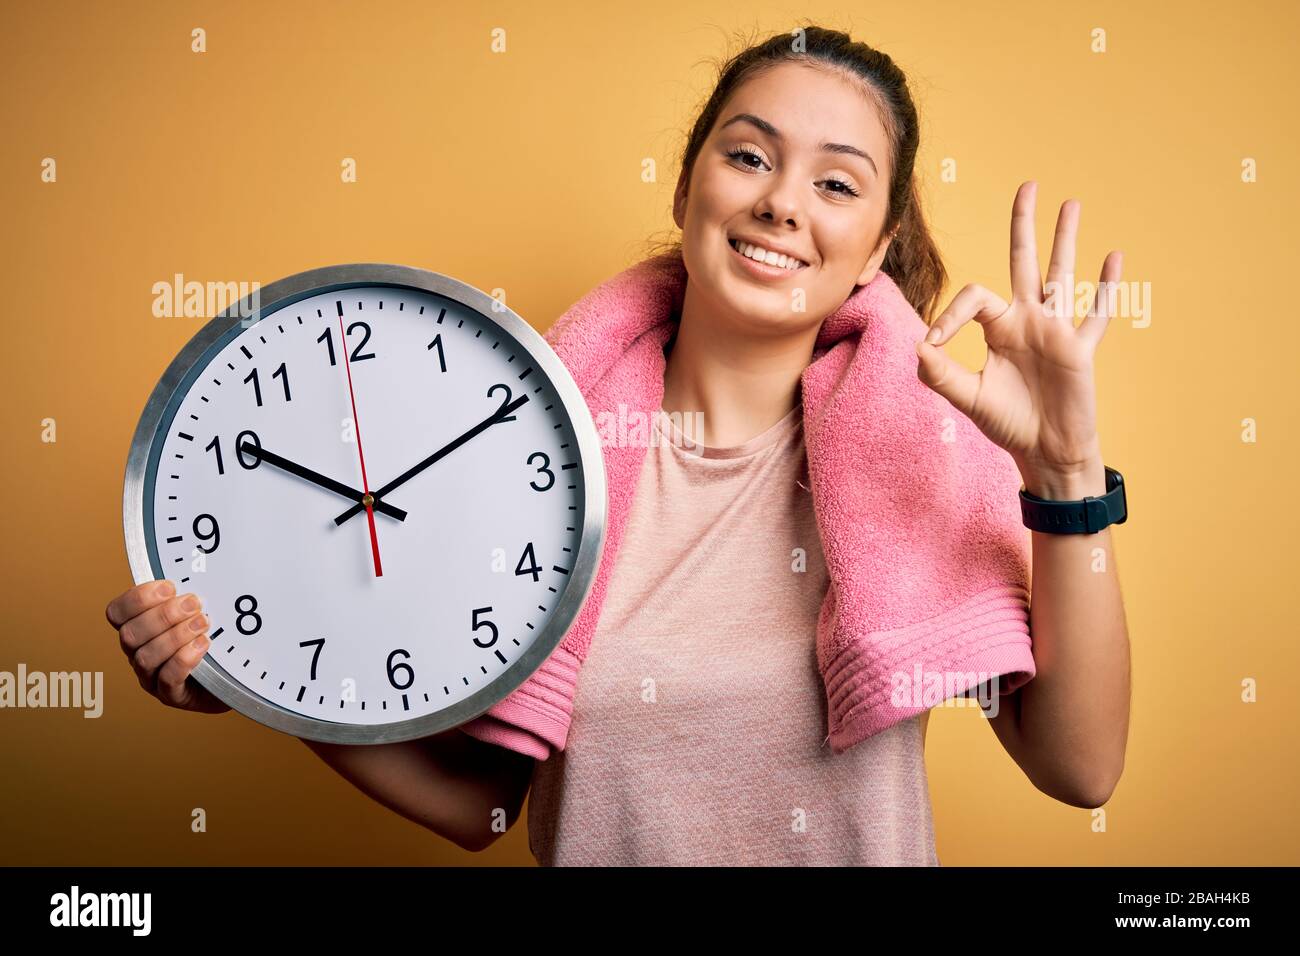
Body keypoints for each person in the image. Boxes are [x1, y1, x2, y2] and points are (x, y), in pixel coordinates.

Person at [104, 24, 1130, 864]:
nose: (779, 200)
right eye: (748, 155)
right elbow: (486, 808)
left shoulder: (919, 455)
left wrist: (1065, 468)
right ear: (686, 191)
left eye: (836, 184)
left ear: (877, 252)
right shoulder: (516, 468)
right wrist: (259, 683)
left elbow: (1079, 766)